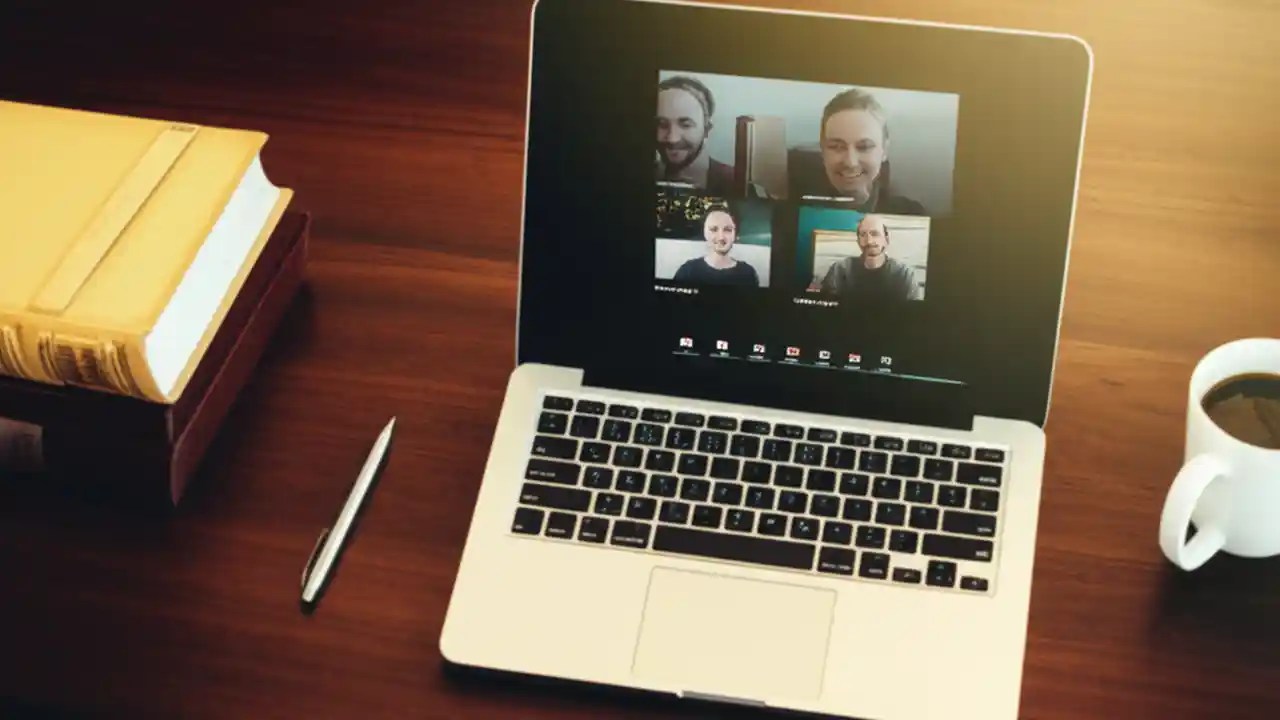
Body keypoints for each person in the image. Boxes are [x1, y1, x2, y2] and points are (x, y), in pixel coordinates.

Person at [815, 88, 925, 215]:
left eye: (864, 147)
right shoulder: (797, 212)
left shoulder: (910, 214)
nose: (851, 162)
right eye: (837, 147)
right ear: (822, 150)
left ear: (884, 150)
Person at [656, 76, 734, 196]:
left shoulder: (736, 183)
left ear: (706, 129)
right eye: (662, 124)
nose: (672, 139)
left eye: (686, 125)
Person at [820, 214, 920, 300]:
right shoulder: (839, 270)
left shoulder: (904, 274)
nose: (869, 241)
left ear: (886, 240)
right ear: (858, 241)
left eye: (875, 234)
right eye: (863, 235)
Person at [673, 206, 760, 287]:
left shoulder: (748, 273)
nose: (721, 237)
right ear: (705, 233)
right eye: (714, 229)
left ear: (735, 234)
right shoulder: (688, 271)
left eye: (728, 230)